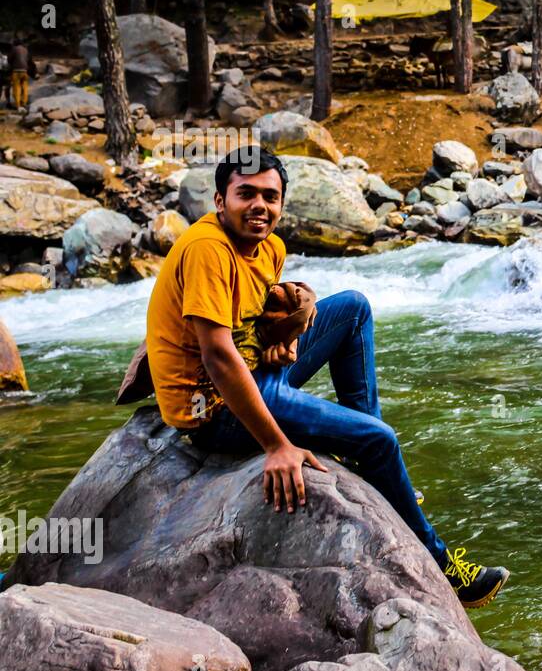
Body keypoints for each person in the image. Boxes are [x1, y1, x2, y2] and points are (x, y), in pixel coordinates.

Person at [145, 146, 509, 607]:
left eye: (271, 197)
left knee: (353, 307)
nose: (260, 206)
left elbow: (254, 319)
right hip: (215, 409)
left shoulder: (268, 246)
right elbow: (217, 354)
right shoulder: (206, 251)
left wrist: (284, 337)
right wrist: (276, 446)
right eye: (246, 195)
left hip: (256, 374)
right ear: (220, 201)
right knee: (380, 440)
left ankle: (369, 466)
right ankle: (445, 571)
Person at [6, 38, 28, 110]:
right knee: (24, 87)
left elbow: (9, 59)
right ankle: (24, 103)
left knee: (17, 88)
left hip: (16, 71)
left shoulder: (14, 49)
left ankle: (18, 105)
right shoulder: (25, 49)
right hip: (25, 71)